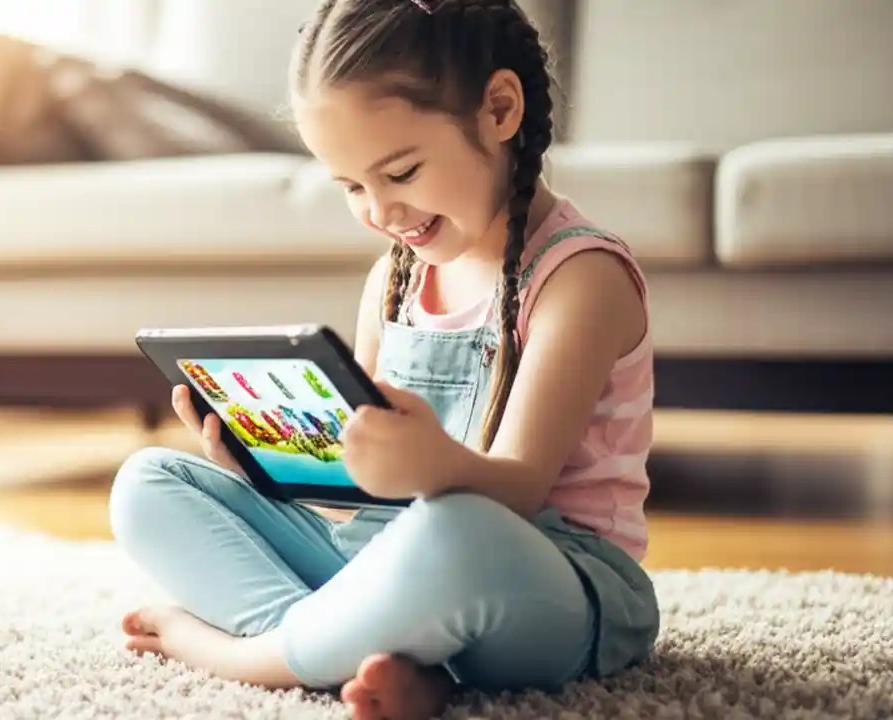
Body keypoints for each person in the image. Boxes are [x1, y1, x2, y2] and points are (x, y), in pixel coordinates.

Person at [109, 2, 660, 717]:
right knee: (147, 483)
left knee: (457, 534)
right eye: (351, 188)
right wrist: (270, 468)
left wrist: (432, 465)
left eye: (399, 172)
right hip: (391, 558)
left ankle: (244, 652)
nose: (378, 211)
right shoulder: (393, 280)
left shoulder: (579, 278)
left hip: (542, 578)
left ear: (499, 109)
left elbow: (519, 493)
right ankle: (389, 657)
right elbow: (365, 496)